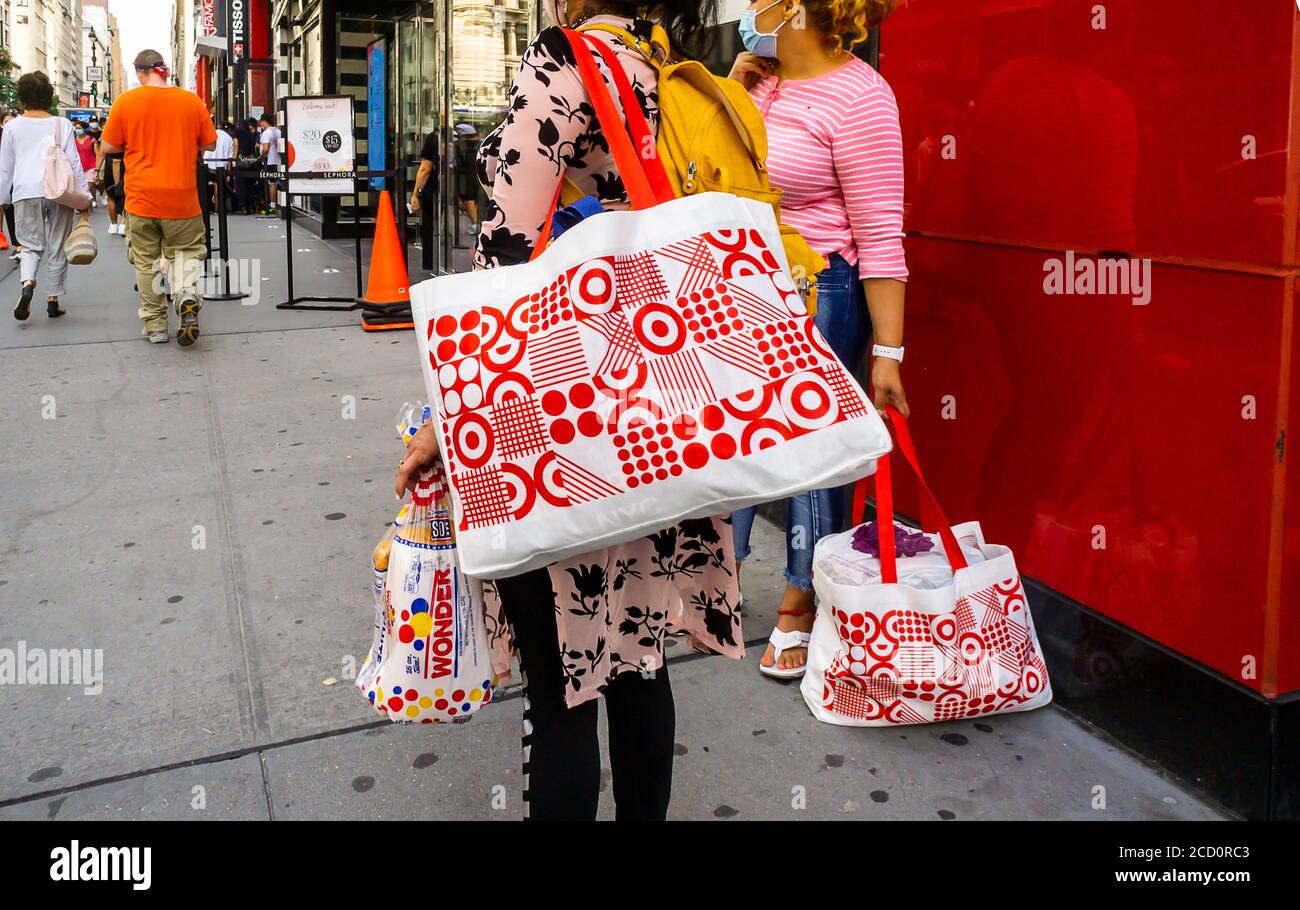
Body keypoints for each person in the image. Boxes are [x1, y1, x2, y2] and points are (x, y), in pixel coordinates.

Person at [397, 0, 741, 821]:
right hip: (655, 403)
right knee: (639, 665)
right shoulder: (665, 67)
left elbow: (508, 253)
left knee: (562, 692)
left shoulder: (562, 59)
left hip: (557, 411)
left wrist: (450, 419)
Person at [726, 0, 910, 678]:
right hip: (743, 284)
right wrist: (731, 98)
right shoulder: (757, 79)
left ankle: (802, 598)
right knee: (732, 435)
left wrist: (887, 352)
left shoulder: (862, 96)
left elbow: (881, 234)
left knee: (808, 455)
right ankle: (721, 573)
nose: (748, 7)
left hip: (820, 289)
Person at [99, 49, 217, 346]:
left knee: (146, 262)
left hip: (141, 198)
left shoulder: (127, 101)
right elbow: (212, 144)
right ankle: (186, 294)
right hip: (182, 197)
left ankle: (155, 326)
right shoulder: (191, 100)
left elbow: (109, 145)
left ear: (140, 72)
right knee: (186, 252)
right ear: (162, 69)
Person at [0, 73, 89, 321]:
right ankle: (53, 299)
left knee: (29, 244)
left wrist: (3, 197)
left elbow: (5, 167)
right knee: (58, 243)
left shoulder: (11, 126)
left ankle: (28, 283)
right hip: (59, 189)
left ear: (22, 96)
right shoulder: (62, 124)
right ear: (48, 97)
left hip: (25, 190)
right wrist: (84, 197)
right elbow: (73, 163)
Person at [410, 129, 439, 269]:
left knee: (428, 225)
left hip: (433, 189)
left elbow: (425, 169)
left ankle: (430, 263)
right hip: (449, 187)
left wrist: (416, 193)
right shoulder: (453, 135)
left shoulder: (434, 137)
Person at [0, 111, 21, 259]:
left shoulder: (21, 137)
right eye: (7, 122)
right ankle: (17, 243)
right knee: (9, 211)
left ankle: (23, 244)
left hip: (20, 178)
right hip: (5, 177)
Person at [231, 117, 259, 214]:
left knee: (240, 183)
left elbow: (236, 144)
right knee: (250, 184)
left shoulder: (237, 131)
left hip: (241, 161)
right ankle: (250, 206)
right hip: (251, 161)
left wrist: (234, 159)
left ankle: (242, 206)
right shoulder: (250, 134)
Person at [258, 113, 282, 216]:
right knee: (277, 182)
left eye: (261, 122)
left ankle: (272, 206)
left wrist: (262, 156)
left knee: (271, 183)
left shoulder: (267, 133)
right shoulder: (278, 131)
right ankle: (277, 204)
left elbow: (266, 148)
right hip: (279, 160)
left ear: (263, 122)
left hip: (270, 160)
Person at [74, 122, 99, 206]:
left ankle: (93, 199)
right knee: (80, 186)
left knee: (90, 185)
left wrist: (98, 167)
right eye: (76, 128)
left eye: (79, 128)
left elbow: (98, 153)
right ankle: (83, 202)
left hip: (91, 165)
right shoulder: (73, 140)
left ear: (84, 129)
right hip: (79, 166)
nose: (77, 130)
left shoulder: (92, 139)